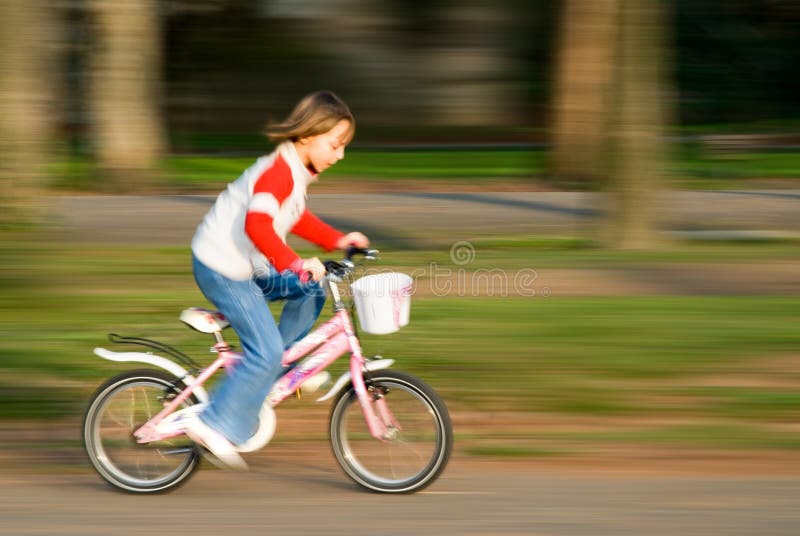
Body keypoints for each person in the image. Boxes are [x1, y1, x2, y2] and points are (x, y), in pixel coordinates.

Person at [185, 90, 369, 469]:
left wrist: (337, 240)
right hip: (223, 268)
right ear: (307, 136)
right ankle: (214, 424)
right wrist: (294, 261)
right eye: (335, 145)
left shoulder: (294, 171)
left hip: (247, 264)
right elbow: (258, 224)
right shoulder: (277, 173)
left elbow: (295, 217)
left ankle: (280, 367)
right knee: (263, 349)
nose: (340, 155)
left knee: (311, 289)